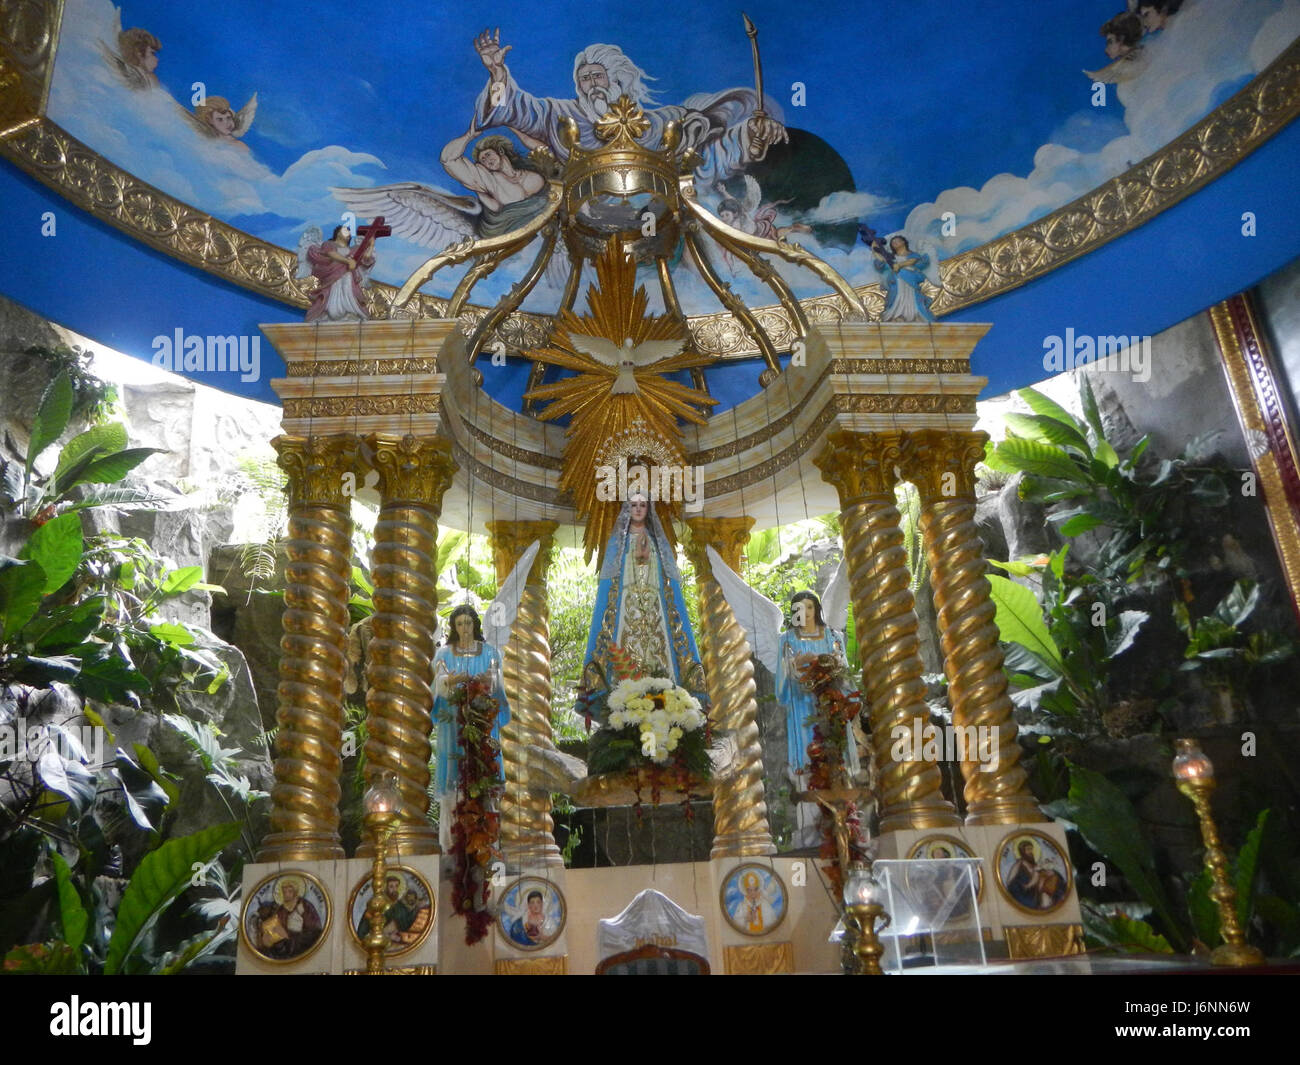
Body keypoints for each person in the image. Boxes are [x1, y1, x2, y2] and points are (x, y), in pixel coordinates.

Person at [470, 30, 786, 186]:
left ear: (617, 80)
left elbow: (711, 150)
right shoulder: (560, 115)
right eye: (584, 79)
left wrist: (751, 133)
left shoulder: (665, 123)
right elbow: (517, 108)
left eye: (596, 76)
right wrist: (497, 73)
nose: (591, 84)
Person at [583, 493, 704, 692]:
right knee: (624, 648)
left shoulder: (654, 540)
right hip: (625, 605)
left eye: (642, 505)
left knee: (658, 649)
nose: (638, 509)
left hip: (654, 606)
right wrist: (636, 559)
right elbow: (614, 578)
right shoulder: (618, 542)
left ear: (648, 509)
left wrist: (646, 561)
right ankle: (619, 693)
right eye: (633, 505)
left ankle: (666, 689)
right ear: (627, 509)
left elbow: (662, 578)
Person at [432, 604, 510, 809]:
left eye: (467, 622)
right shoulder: (443, 654)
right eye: (459, 624)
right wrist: (450, 681)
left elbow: (497, 685)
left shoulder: (491, 653)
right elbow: (438, 686)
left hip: (483, 717)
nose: (464, 628)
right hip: (454, 720)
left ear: (475, 624)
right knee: (456, 764)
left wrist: (487, 683)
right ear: (453, 627)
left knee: (482, 761)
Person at [439, 125, 549, 238]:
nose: (487, 160)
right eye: (483, 160)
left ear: (500, 151)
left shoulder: (531, 169)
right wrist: (469, 135)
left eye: (488, 154)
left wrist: (514, 127)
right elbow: (448, 159)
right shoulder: (489, 180)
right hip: (518, 237)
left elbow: (547, 152)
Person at [304, 225, 374, 323]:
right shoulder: (329, 244)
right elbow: (331, 254)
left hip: (349, 278)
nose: (348, 233)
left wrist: (371, 245)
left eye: (349, 232)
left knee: (348, 291)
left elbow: (366, 258)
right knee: (333, 292)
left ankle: (349, 311)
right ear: (338, 233)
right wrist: (348, 261)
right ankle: (330, 312)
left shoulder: (354, 249)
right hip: (333, 277)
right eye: (345, 231)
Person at [871, 235, 938, 322]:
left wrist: (899, 265)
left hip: (910, 279)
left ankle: (915, 314)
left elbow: (913, 260)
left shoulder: (912, 255)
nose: (894, 243)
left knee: (913, 298)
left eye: (897, 241)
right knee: (895, 297)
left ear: (903, 242)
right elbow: (881, 261)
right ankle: (896, 316)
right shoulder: (891, 257)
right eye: (893, 242)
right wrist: (874, 250)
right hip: (896, 282)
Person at [265, 876, 321, 958]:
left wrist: (291, 933)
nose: (286, 894)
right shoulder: (280, 910)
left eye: (290, 891)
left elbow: (316, 929)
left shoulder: (305, 906)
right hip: (284, 947)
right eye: (284, 892)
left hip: (302, 943)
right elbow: (274, 927)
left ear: (295, 892)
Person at [1005, 839, 1066, 910]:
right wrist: (1024, 885)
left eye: (1031, 849)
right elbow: (1009, 882)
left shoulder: (1034, 864)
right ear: (1022, 851)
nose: (1031, 851)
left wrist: (1048, 871)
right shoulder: (1018, 864)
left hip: (1038, 889)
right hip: (1027, 893)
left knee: (1054, 874)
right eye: (1028, 849)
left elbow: (1040, 873)